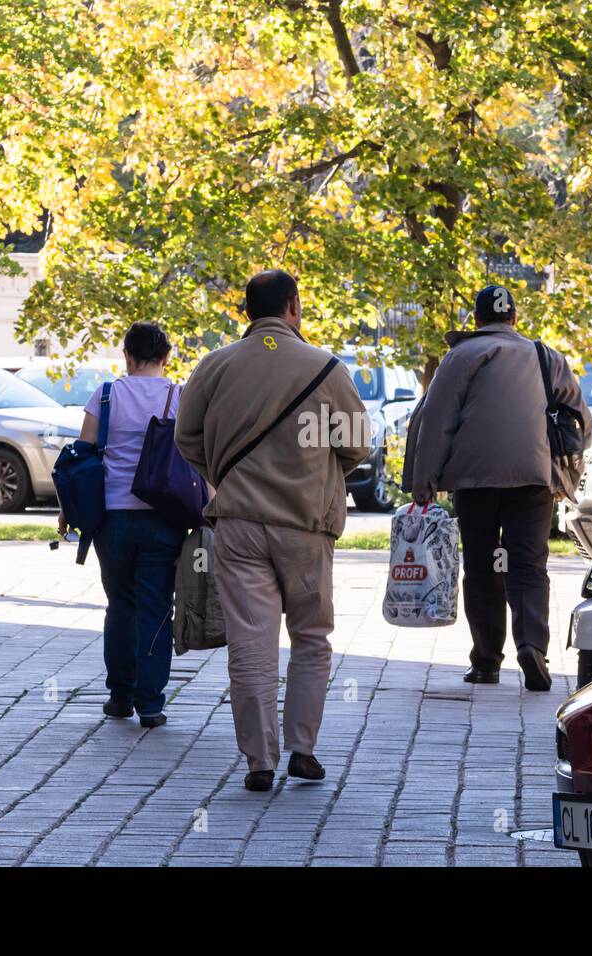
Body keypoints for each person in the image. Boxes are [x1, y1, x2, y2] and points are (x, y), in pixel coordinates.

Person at [175, 269, 370, 792]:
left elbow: (186, 438)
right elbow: (357, 445)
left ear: (246, 312)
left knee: (250, 643)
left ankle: (259, 759)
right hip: (306, 525)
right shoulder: (325, 367)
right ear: (294, 306)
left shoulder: (213, 367)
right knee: (311, 636)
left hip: (237, 525)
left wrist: (221, 473)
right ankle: (303, 747)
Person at [401, 284, 592, 691]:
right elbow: (579, 418)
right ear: (514, 319)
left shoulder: (461, 356)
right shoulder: (545, 356)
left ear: (476, 319)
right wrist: (564, 472)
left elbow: (437, 421)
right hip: (532, 477)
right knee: (527, 565)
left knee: (483, 567)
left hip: (475, 480)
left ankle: (487, 659)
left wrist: (423, 482)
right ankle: (532, 647)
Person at [60, 323, 186, 728]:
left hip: (111, 516)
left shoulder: (106, 394)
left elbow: (83, 454)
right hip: (164, 516)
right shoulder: (178, 396)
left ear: (127, 356)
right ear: (166, 357)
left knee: (120, 605)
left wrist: (68, 509)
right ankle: (151, 704)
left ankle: (120, 696)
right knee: (156, 609)